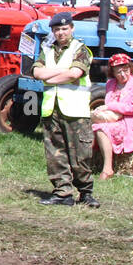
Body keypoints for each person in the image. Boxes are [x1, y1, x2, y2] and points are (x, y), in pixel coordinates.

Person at [34, 11, 99, 207]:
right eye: (57, 29)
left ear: (71, 29)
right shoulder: (47, 50)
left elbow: (76, 73)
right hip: (51, 109)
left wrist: (50, 76)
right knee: (55, 154)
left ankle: (86, 193)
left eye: (64, 29)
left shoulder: (81, 49)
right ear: (52, 31)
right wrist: (62, 72)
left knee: (81, 154)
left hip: (75, 111)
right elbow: (37, 72)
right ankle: (63, 193)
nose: (61, 33)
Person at [91, 53, 133, 178]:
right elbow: (109, 103)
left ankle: (107, 169)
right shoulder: (110, 84)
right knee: (88, 125)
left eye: (126, 70)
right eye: (119, 72)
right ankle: (84, 164)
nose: (123, 74)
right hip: (115, 118)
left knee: (101, 129)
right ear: (112, 72)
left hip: (132, 122)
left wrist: (109, 107)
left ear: (131, 68)